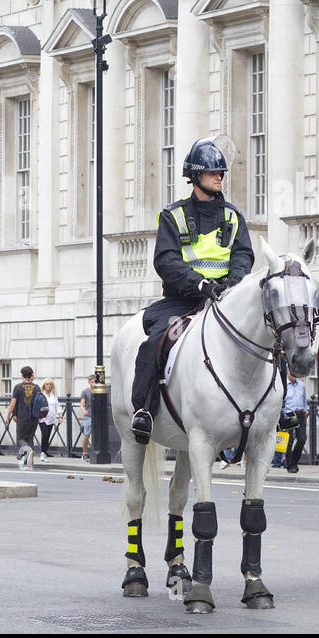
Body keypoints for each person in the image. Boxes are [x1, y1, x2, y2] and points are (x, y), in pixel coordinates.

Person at [129, 138, 254, 443]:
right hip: (183, 301)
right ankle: (143, 410)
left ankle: (275, 410)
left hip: (225, 299)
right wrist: (199, 284)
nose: (219, 176)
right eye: (213, 172)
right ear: (196, 176)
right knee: (157, 340)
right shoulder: (174, 216)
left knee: (267, 335)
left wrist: (234, 282)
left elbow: (244, 255)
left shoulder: (233, 216)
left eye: (221, 172)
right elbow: (166, 260)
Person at [6, 366, 43, 470]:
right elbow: (39, 403)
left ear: (21, 374)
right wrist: (39, 416)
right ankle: (29, 463)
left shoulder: (18, 387)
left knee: (21, 439)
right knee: (30, 438)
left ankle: (27, 452)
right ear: (31, 375)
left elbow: (12, 404)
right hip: (34, 418)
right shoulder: (37, 387)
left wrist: (8, 416)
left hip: (22, 417)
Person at [282, 374, 308, 473]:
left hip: (300, 414)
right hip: (289, 413)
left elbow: (304, 399)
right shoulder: (285, 385)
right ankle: (290, 465)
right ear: (288, 373)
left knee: (302, 439)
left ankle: (293, 460)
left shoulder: (301, 385)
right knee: (289, 440)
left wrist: (305, 411)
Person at [38, 379, 60, 462]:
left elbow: (57, 405)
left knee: (47, 436)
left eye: (50, 384)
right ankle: (42, 453)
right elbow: (37, 405)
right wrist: (37, 416)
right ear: (44, 385)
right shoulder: (41, 395)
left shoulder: (53, 395)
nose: (49, 386)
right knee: (45, 434)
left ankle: (45, 451)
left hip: (51, 417)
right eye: (47, 384)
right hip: (42, 418)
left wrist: (60, 415)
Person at [78, 374, 95, 461]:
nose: (93, 383)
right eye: (92, 382)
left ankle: (94, 451)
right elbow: (82, 404)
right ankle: (85, 452)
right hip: (88, 416)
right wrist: (83, 410)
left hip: (97, 416)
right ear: (89, 382)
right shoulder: (85, 392)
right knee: (87, 434)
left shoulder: (98, 391)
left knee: (96, 435)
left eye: (95, 381)